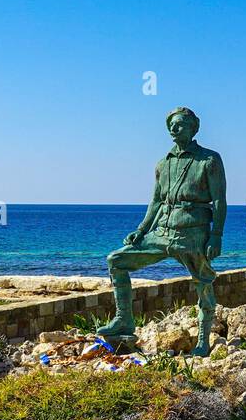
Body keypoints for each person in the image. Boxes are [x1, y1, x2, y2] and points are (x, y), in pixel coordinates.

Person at [96, 107, 226, 356]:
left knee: (204, 282)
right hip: (161, 231)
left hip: (193, 232)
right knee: (117, 260)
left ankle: (203, 341)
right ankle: (124, 320)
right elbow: (156, 201)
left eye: (179, 124)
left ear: (193, 128)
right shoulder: (162, 164)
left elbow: (219, 200)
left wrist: (216, 234)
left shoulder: (209, 160)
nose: (173, 129)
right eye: (171, 126)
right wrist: (141, 230)